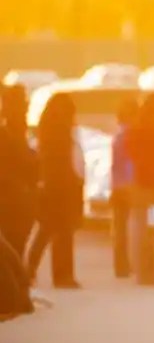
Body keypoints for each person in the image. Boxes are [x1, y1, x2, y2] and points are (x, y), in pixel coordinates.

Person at [26, 92, 83, 289]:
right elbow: (67, 162)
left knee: (47, 231)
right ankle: (63, 275)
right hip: (61, 187)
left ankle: (30, 270)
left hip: (49, 187)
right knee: (63, 233)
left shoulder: (47, 131)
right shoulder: (62, 133)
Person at [126, 93, 154, 286]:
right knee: (153, 231)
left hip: (140, 184)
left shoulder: (136, 128)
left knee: (140, 230)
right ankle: (151, 271)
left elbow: (131, 153)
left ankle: (141, 271)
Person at [0, 85, 37, 263]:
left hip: (18, 195)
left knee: (15, 244)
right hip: (13, 196)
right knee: (14, 244)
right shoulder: (9, 131)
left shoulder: (16, 128)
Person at [110, 98, 139, 279]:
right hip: (127, 185)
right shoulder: (129, 135)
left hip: (117, 185)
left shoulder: (118, 134)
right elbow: (129, 162)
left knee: (120, 228)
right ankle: (126, 265)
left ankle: (121, 265)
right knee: (129, 227)